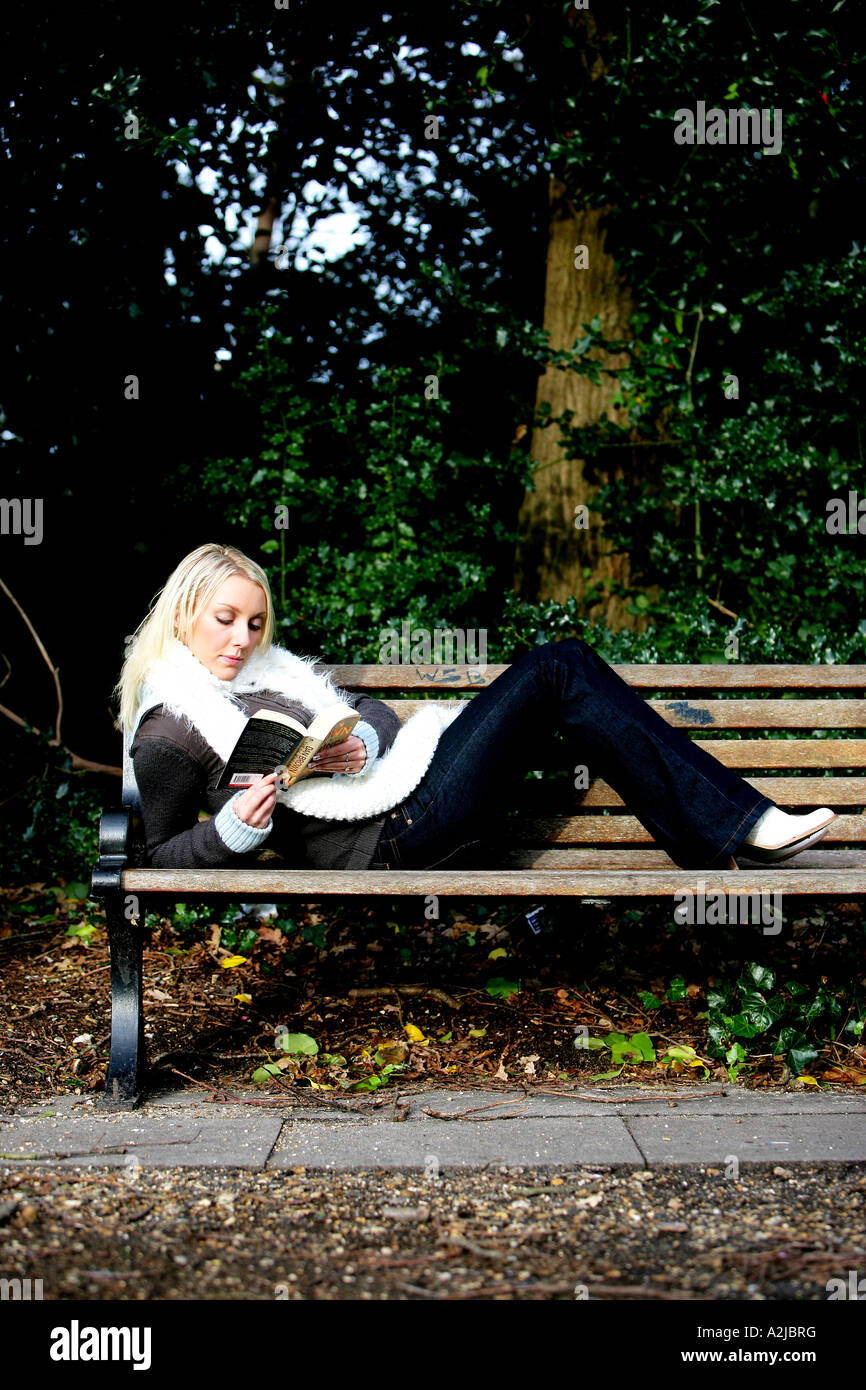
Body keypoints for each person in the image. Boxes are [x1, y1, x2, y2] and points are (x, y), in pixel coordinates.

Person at [115, 543, 835, 874]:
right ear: (183, 615)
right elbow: (152, 855)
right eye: (224, 619)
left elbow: (374, 714)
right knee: (557, 664)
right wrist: (238, 832)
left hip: (407, 790)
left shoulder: (276, 675)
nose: (242, 639)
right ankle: (739, 824)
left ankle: (728, 830)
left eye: (254, 621)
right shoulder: (170, 728)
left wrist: (359, 741)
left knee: (563, 668)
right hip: (389, 838)